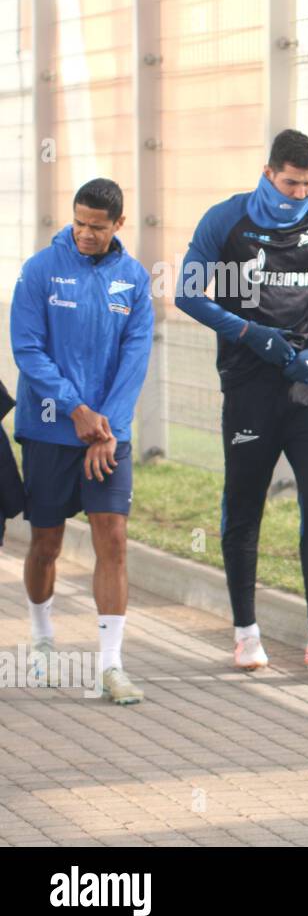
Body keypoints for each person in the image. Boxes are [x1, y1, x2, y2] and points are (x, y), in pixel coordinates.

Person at [175, 129, 308, 670]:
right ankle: (246, 632)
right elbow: (187, 291)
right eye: (290, 183)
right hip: (250, 388)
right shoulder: (226, 221)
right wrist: (249, 334)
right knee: (245, 506)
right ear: (268, 172)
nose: (299, 194)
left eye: (307, 184)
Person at [10, 178, 154, 704]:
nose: (86, 233)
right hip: (51, 429)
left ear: (118, 225)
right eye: (79, 222)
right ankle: (43, 640)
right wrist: (77, 409)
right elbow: (27, 349)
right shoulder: (39, 271)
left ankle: (111, 667)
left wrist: (105, 426)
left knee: (113, 538)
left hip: (108, 437)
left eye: (97, 225)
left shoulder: (135, 281)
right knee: (45, 543)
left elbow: (134, 360)